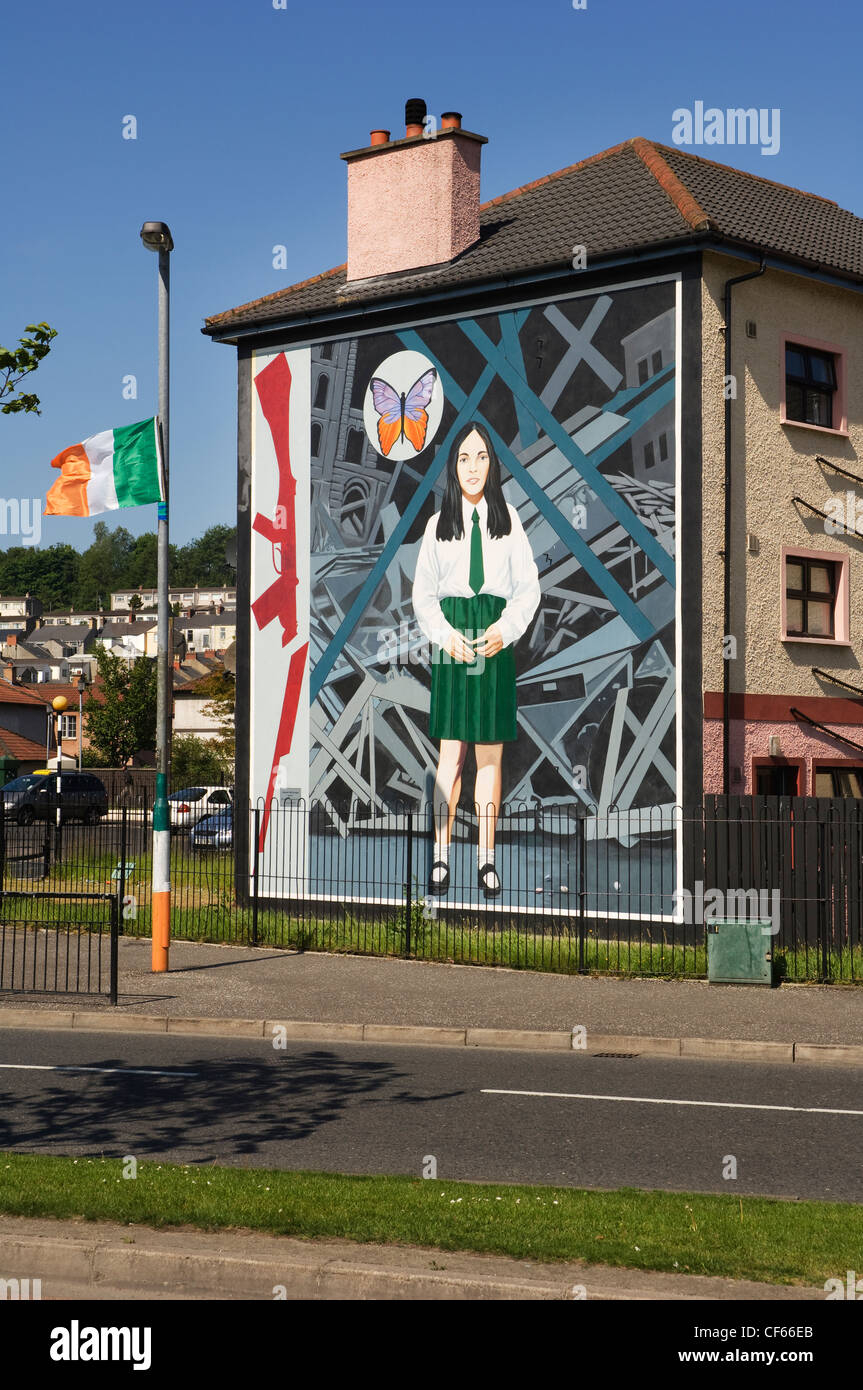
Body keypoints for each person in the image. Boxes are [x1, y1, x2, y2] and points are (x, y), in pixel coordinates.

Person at [412, 421, 540, 898]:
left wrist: (506, 630)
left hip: (493, 639)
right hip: (453, 642)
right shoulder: (436, 526)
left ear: (493, 464)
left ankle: (487, 860)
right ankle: (441, 858)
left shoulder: (509, 521)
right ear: (452, 466)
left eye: (481, 456)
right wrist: (444, 636)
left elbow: (529, 587)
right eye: (464, 458)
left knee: (490, 759)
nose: (472, 466)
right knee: (451, 756)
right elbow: (423, 596)